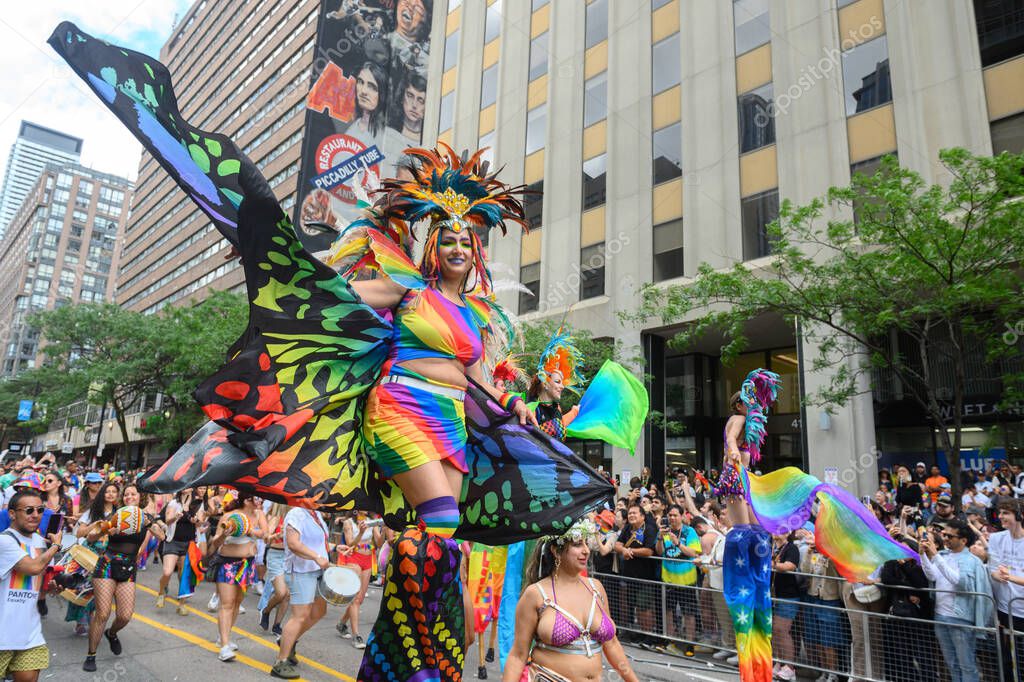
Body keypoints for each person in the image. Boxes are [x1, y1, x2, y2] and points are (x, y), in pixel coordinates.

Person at [502, 519, 639, 682]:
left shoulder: (596, 588)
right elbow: (518, 655)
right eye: (577, 544)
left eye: (586, 543)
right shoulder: (536, 594)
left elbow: (612, 644)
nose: (586, 550)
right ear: (556, 551)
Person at [713, 370, 780, 682]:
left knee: (755, 530)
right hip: (736, 476)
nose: (751, 405)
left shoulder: (747, 421)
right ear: (739, 404)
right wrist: (733, 456)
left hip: (744, 478)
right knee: (743, 530)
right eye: (747, 401)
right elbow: (730, 438)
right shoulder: (737, 419)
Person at [82, 484, 166, 672]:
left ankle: (111, 633)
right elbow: (90, 538)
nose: (129, 497)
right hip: (107, 564)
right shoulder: (115, 516)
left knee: (125, 616)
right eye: (126, 494)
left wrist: (150, 524)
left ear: (140, 497)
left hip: (128, 567)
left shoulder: (146, 517)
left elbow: (161, 536)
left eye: (133, 494)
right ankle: (91, 654)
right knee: (103, 613)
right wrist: (105, 529)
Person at [0, 489, 63, 682]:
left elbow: (40, 579)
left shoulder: (41, 543)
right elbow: (33, 567)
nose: (35, 515)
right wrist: (56, 546)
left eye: (40, 510)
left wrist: (51, 587)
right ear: (12, 514)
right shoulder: (4, 540)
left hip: (29, 633)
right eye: (29, 510)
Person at [919, 518, 992, 682]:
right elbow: (932, 576)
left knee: (967, 665)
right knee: (951, 664)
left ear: (963, 540)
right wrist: (922, 555)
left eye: (950, 536)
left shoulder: (971, 561)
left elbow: (960, 583)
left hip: (960, 618)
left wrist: (935, 556)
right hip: (940, 616)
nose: (945, 538)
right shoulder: (943, 555)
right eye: (944, 535)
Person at [271, 506, 333, 679]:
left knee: (319, 611)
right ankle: (280, 662)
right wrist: (316, 557)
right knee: (300, 616)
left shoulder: (316, 514)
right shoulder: (296, 513)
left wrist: (336, 547)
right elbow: (293, 543)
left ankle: (288, 641)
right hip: (300, 571)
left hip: (317, 570)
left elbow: (315, 542)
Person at [206, 492, 265, 662]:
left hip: (247, 565)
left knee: (237, 603)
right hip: (228, 564)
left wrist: (252, 531)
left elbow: (265, 533)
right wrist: (225, 534)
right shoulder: (229, 516)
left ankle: (223, 636)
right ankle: (224, 646)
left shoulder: (259, 514)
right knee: (227, 603)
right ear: (246, 500)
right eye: (256, 498)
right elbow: (215, 543)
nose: (259, 501)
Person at [656, 504, 700, 656]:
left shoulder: (689, 531)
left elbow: (693, 553)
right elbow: (659, 552)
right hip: (669, 579)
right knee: (669, 612)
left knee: (689, 613)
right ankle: (671, 641)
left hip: (687, 580)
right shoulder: (664, 531)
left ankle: (690, 644)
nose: (672, 518)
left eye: (675, 515)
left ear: (682, 516)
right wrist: (660, 538)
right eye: (670, 515)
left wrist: (678, 543)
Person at [988, 499, 1024, 676]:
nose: (1000, 516)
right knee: (1007, 658)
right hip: (1004, 609)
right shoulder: (996, 538)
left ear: (1019, 515)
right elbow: (992, 568)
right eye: (1000, 512)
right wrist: (997, 575)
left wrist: (1010, 577)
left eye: (1006, 513)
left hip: (1022, 610)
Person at [334, 512, 380, 649]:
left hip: (368, 559)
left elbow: (379, 543)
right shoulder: (348, 522)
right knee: (355, 599)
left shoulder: (372, 521)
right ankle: (356, 636)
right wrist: (360, 533)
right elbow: (350, 543)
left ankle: (342, 624)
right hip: (353, 558)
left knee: (360, 599)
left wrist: (384, 530)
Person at [156, 488, 205, 615]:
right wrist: (175, 517)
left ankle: (182, 604)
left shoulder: (197, 504)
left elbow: (200, 523)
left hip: (189, 543)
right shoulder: (173, 503)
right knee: (167, 572)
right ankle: (161, 592)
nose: (185, 487)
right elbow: (167, 521)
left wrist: (196, 521)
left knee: (184, 575)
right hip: (172, 541)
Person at [613, 503, 657, 641]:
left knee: (644, 607)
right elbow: (617, 545)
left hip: (645, 576)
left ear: (642, 516)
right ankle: (640, 634)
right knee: (635, 606)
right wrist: (623, 550)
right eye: (630, 513)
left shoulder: (649, 529)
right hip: (629, 575)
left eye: (634, 513)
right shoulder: (627, 528)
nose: (631, 515)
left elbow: (649, 551)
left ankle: (648, 636)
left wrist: (630, 551)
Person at [800, 543, 844, 682]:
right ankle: (824, 673)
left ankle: (833, 674)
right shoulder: (813, 554)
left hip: (829, 600)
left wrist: (827, 554)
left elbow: (838, 570)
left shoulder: (834, 553)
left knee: (828, 641)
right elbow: (805, 571)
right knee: (817, 640)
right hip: (812, 598)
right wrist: (809, 552)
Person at [257, 502, 291, 639]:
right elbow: (266, 538)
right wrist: (275, 536)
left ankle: (277, 625)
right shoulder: (277, 518)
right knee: (281, 592)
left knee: (287, 595)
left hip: (291, 558)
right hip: (276, 556)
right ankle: (266, 610)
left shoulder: (296, 521)